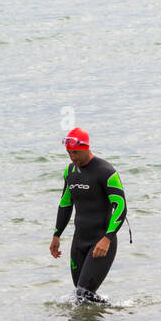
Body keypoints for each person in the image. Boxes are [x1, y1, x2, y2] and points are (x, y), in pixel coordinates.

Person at [50, 128, 127, 303]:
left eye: (76, 152)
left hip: (101, 241)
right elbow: (65, 204)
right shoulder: (70, 171)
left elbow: (121, 206)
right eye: (69, 153)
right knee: (82, 296)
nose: (72, 157)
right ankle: (105, 316)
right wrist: (56, 235)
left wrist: (107, 238)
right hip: (79, 241)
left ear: (86, 148)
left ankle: (111, 314)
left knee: (83, 293)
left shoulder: (106, 171)